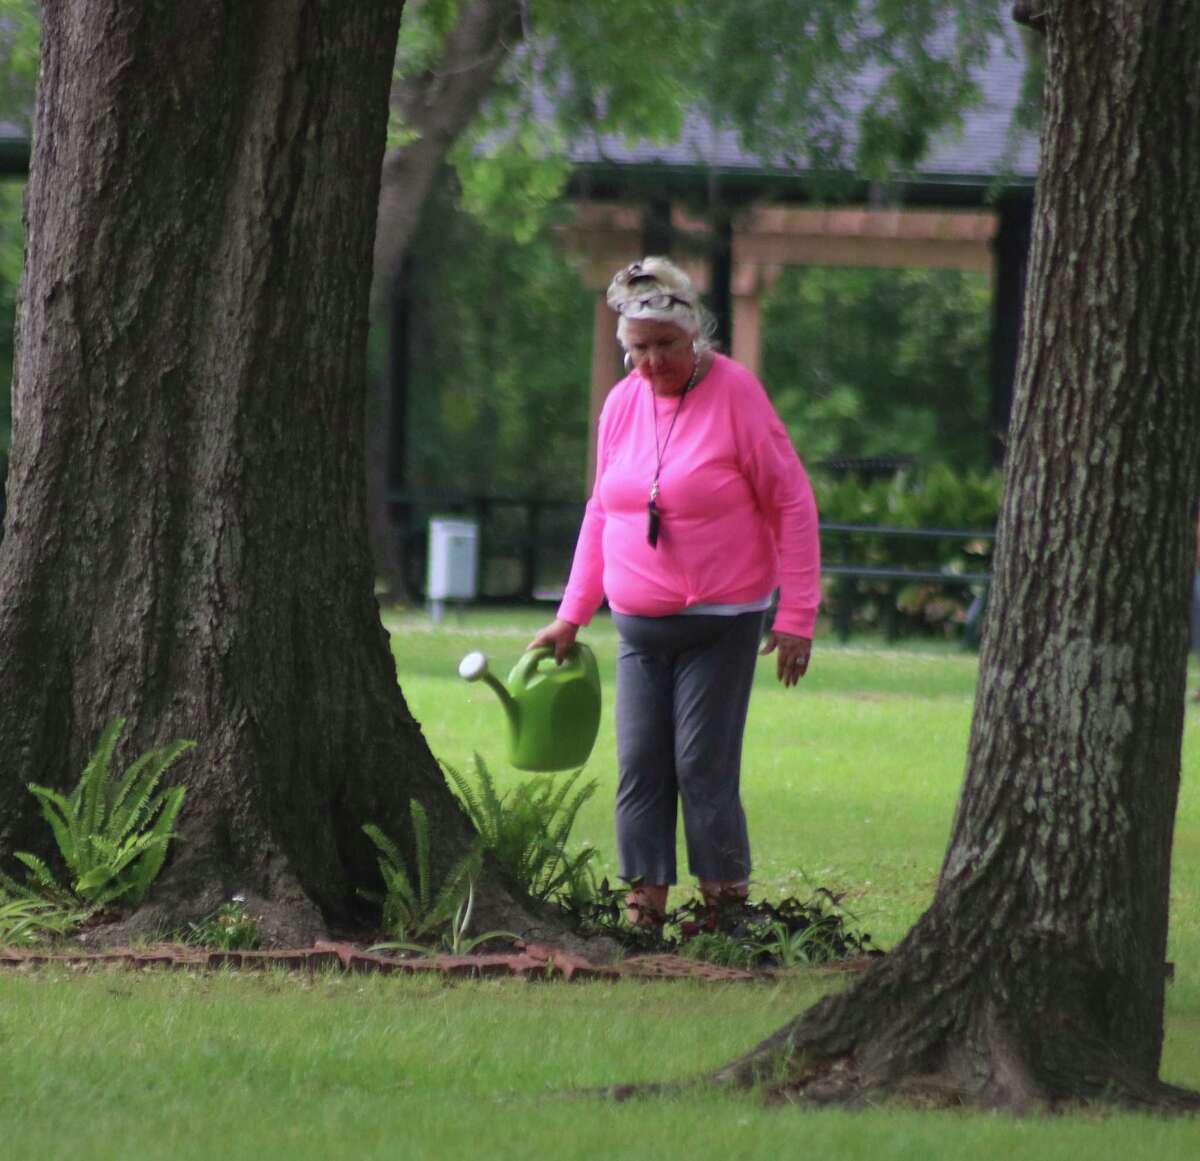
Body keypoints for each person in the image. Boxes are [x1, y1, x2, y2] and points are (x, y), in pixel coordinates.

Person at [529, 257, 821, 927]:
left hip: (722, 618)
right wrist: (572, 614)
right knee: (639, 765)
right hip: (639, 624)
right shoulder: (621, 404)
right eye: (638, 348)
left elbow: (793, 503)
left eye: (665, 344)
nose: (652, 361)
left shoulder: (737, 394)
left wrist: (798, 612)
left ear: (695, 335)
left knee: (700, 762)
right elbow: (602, 510)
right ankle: (644, 910)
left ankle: (725, 910)